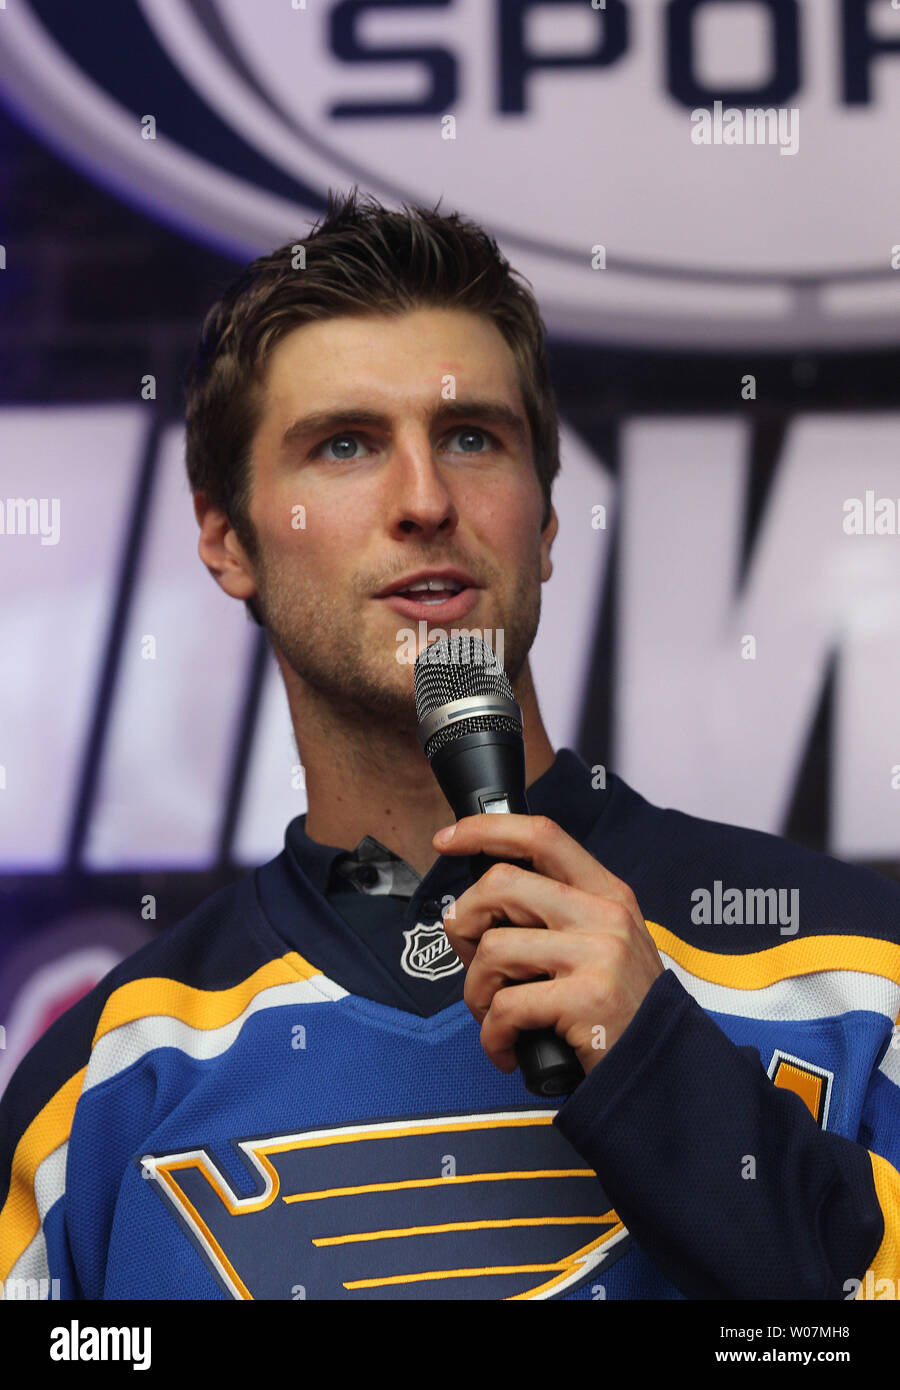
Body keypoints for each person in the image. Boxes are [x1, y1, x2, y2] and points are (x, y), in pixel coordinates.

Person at [1, 187, 899, 1302]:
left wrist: (669, 1079)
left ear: (547, 519)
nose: (425, 500)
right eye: (344, 446)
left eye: (472, 436)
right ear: (227, 540)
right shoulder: (95, 1093)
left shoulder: (856, 978)